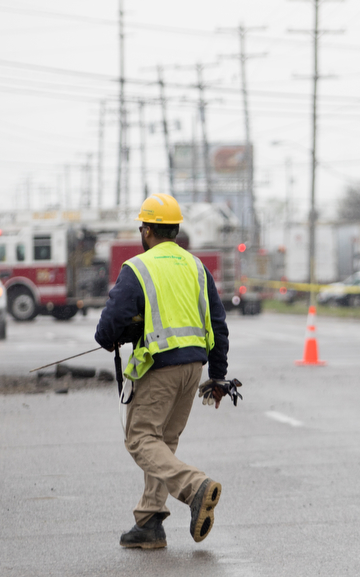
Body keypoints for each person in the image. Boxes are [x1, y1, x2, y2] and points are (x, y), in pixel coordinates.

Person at [95, 193, 234, 550]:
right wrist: (218, 377)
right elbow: (217, 324)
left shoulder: (138, 268)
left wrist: (121, 334)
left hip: (159, 368)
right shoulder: (196, 267)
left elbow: (107, 329)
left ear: (146, 230)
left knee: (141, 440)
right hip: (193, 369)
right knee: (164, 442)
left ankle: (194, 487)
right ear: (175, 229)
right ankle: (149, 521)